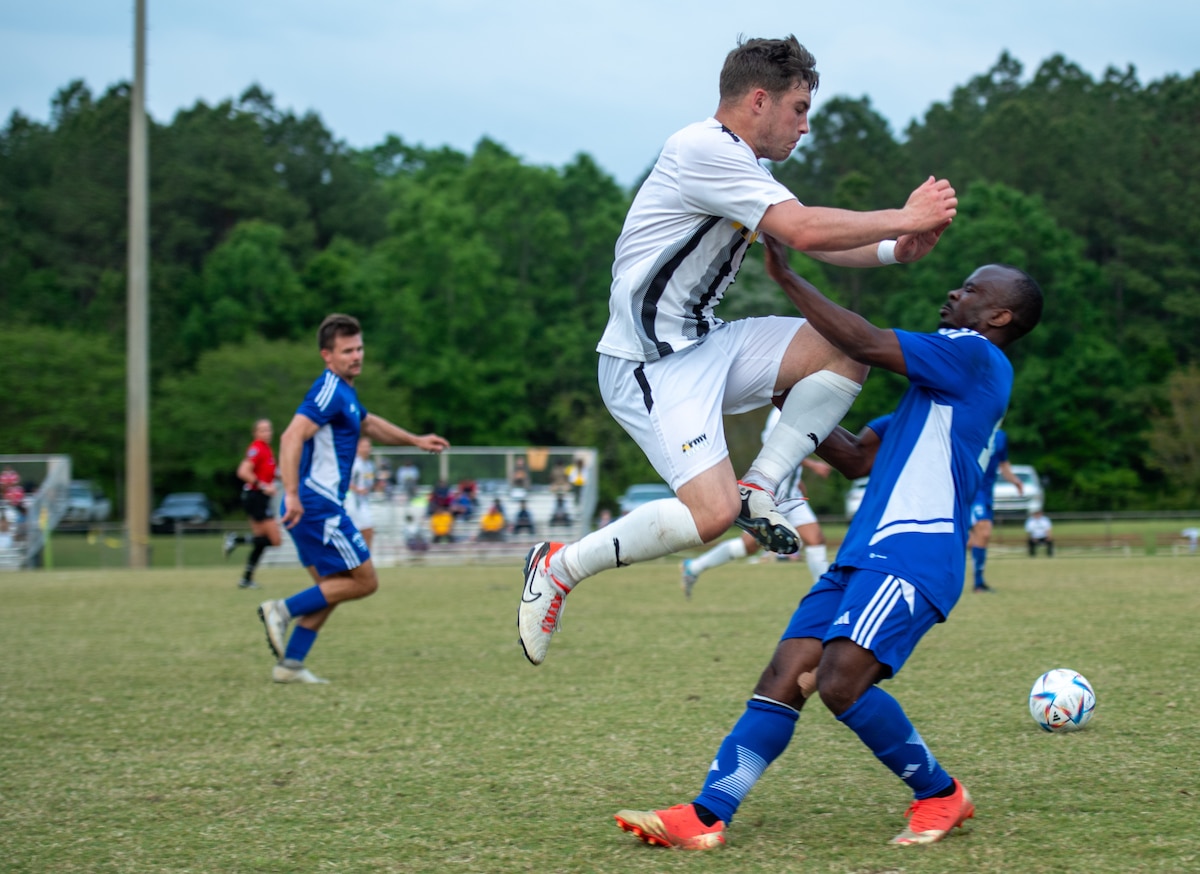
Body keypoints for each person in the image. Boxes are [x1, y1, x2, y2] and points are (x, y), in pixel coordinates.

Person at [518, 34, 957, 666]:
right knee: (711, 516)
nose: (806, 125)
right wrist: (904, 215)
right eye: (800, 108)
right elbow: (804, 228)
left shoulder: (748, 166)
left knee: (844, 345)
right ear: (759, 100)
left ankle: (763, 484)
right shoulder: (701, 150)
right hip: (648, 366)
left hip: (704, 342)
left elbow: (804, 238)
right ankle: (558, 568)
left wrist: (896, 248)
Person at [613, 237, 1043, 849]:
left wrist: (787, 275)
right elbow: (852, 457)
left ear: (999, 317)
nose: (955, 292)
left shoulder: (974, 357)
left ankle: (941, 795)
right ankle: (707, 816)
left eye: (973, 289)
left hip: (912, 556)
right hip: (862, 558)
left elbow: (864, 342)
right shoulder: (935, 398)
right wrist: (788, 387)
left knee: (840, 682)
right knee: (785, 673)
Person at [256, 314, 450, 684]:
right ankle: (280, 610)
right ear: (327, 355)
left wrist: (415, 440)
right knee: (364, 581)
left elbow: (369, 424)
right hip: (316, 504)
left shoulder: (344, 392)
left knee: (333, 586)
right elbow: (290, 437)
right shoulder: (327, 390)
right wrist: (293, 493)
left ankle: (290, 663)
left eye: (359, 348)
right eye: (347, 351)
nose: (356, 356)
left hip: (312, 505)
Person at [681, 407, 833, 597]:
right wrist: (814, 465)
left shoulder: (799, 410)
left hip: (789, 493)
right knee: (748, 546)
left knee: (815, 539)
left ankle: (825, 595)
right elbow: (779, 450)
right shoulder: (780, 414)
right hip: (772, 495)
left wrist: (796, 480)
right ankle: (694, 567)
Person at [223, 418, 281, 590]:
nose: (267, 433)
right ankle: (235, 539)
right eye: (262, 430)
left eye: (269, 429)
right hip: (255, 496)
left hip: (258, 497)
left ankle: (246, 579)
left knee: (261, 541)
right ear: (255, 433)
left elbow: (268, 473)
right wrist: (263, 486)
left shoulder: (267, 449)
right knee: (275, 540)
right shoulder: (256, 448)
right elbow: (243, 471)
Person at [966, 429, 1023, 591]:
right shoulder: (972, 427)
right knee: (984, 532)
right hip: (971, 490)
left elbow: (1003, 463)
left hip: (987, 493)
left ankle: (979, 583)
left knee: (978, 537)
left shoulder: (1000, 436)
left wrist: (1015, 481)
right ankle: (978, 583)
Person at [347, 436, 377, 551]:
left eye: (368, 446)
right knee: (358, 531)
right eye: (364, 446)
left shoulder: (369, 465)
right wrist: (357, 489)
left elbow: (368, 482)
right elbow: (346, 480)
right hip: (352, 502)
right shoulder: (354, 464)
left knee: (368, 530)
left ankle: (365, 558)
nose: (367, 449)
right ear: (358, 448)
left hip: (364, 502)